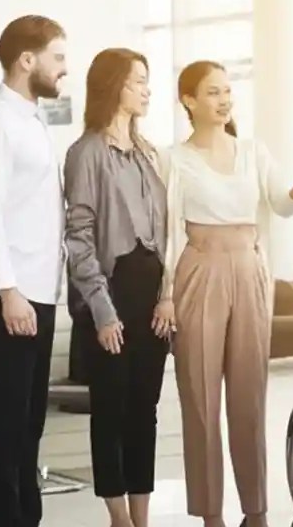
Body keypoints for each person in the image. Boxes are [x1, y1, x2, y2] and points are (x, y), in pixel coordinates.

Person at [165, 60, 293, 527]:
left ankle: (256, 512)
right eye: (213, 92)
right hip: (198, 270)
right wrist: (164, 294)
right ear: (188, 100)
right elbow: (164, 233)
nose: (224, 100)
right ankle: (211, 516)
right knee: (200, 402)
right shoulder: (173, 159)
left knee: (249, 399)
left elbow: (282, 204)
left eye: (227, 91)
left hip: (249, 270)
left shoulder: (252, 151)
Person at [0, 15, 68, 527]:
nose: (64, 68)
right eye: (58, 57)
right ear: (27, 60)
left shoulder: (31, 121)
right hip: (7, 295)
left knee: (28, 429)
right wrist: (9, 289)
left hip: (37, 294)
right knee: (5, 431)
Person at [63, 48, 173, 527]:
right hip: (110, 293)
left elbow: (169, 233)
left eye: (147, 81)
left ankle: (142, 517)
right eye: (138, 81)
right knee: (110, 409)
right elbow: (79, 238)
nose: (147, 90)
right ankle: (118, 517)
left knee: (145, 408)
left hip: (153, 296)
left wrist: (168, 295)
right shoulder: (86, 153)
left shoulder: (149, 154)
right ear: (114, 86)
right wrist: (103, 312)